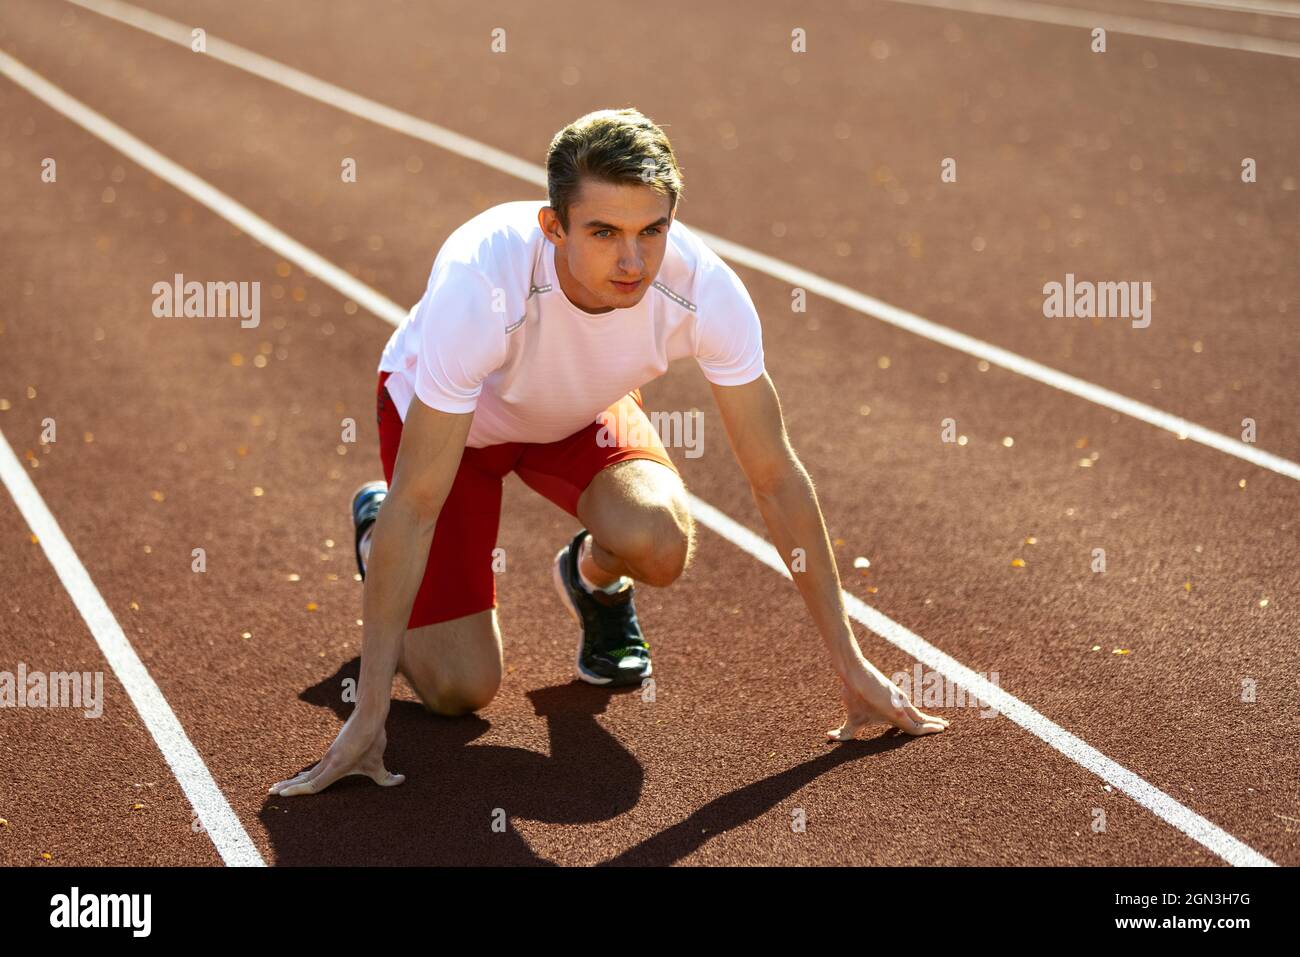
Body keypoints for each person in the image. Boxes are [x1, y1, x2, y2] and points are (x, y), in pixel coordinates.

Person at [270, 108, 947, 798]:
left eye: (652, 230)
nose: (633, 262)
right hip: (458, 431)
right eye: (604, 233)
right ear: (553, 227)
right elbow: (419, 503)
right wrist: (370, 712)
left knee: (659, 542)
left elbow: (774, 475)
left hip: (578, 412)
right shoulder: (482, 284)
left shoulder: (703, 290)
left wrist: (851, 666)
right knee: (459, 691)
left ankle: (591, 578)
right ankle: (374, 529)